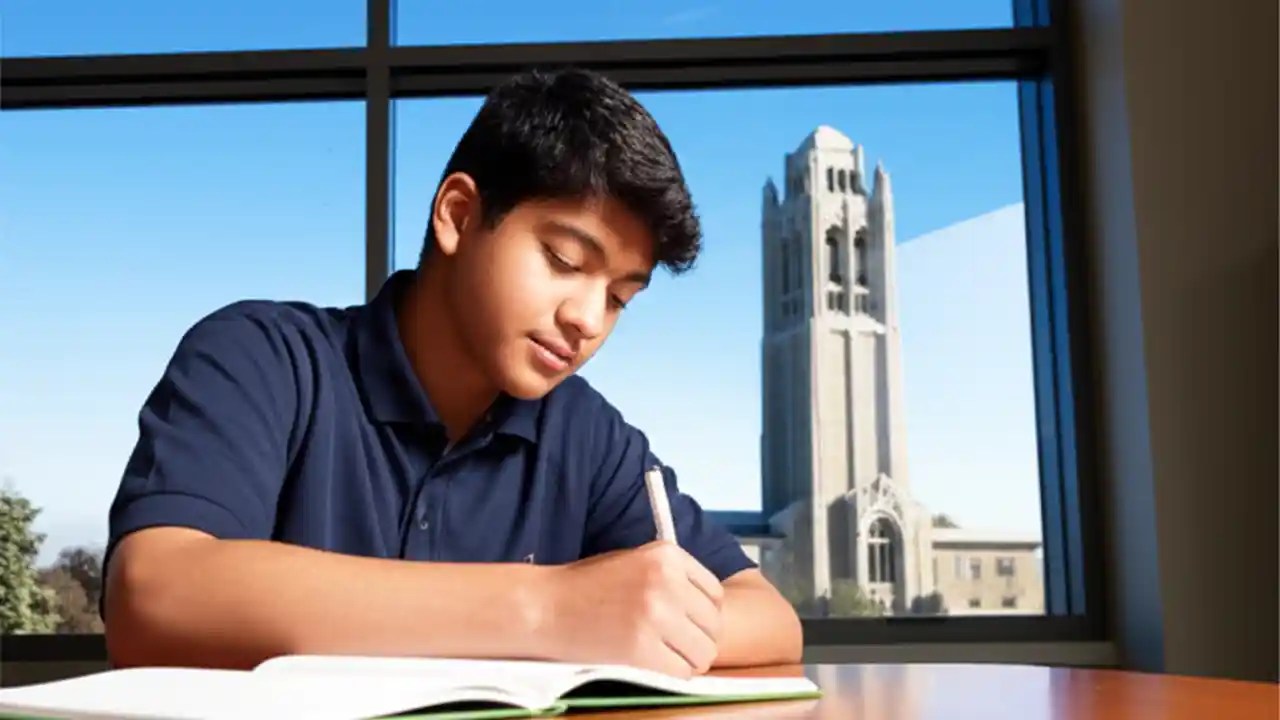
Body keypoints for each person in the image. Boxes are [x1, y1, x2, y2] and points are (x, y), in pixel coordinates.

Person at [101, 67, 803, 678]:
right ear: (458, 215)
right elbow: (155, 592)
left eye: (620, 296)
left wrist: (645, 614)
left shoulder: (586, 434)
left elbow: (769, 618)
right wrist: (550, 608)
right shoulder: (261, 356)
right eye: (563, 261)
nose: (589, 319)